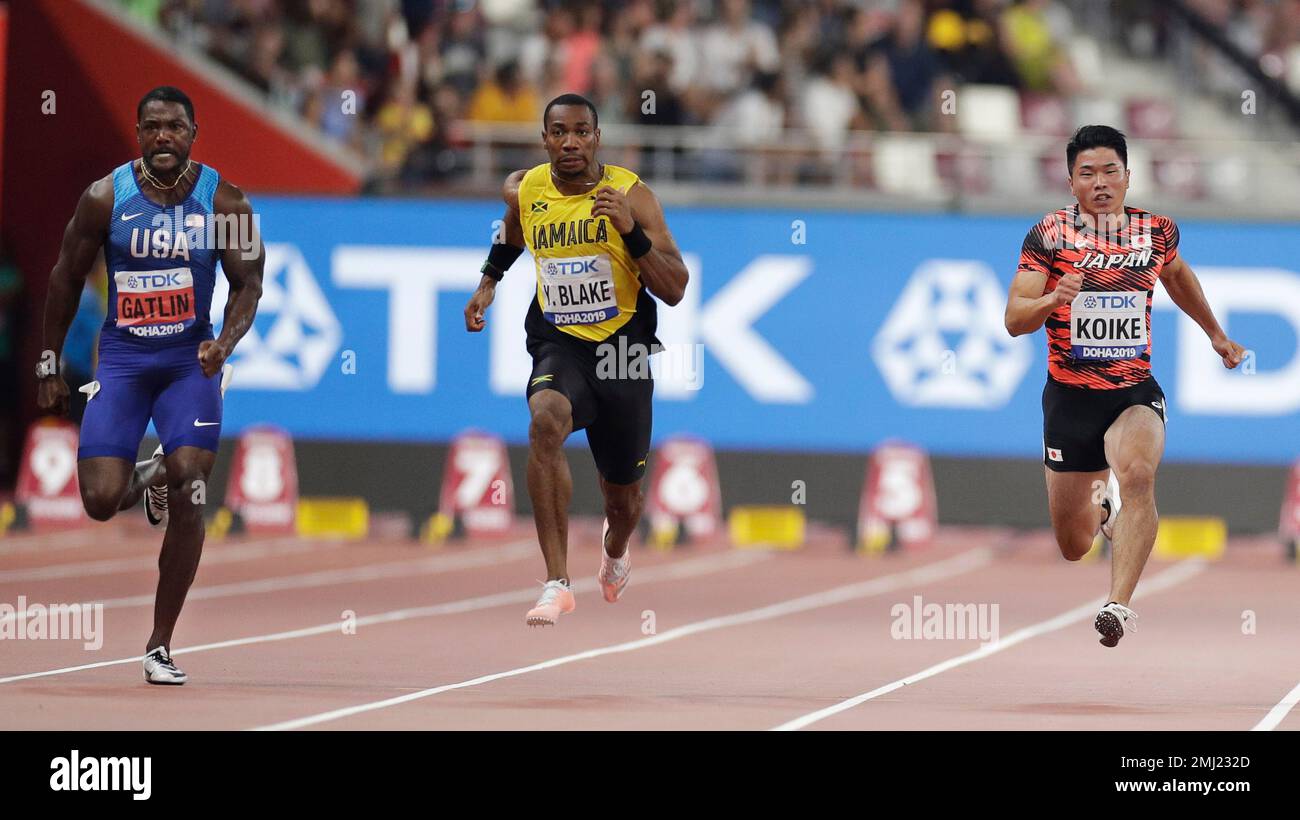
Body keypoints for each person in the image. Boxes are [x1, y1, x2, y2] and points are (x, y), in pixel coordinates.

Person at [37, 86, 264, 682]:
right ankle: (149, 473)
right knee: (101, 501)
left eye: (175, 127)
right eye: (152, 127)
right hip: (122, 364)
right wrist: (48, 362)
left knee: (192, 484)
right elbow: (64, 278)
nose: (164, 137)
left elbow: (250, 285)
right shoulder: (103, 198)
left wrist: (225, 343)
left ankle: (159, 644)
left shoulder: (230, 202)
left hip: (191, 363)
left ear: (194, 133)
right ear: (138, 134)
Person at [1005, 125, 1244, 647]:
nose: (1101, 182)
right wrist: (1052, 300)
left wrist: (1216, 335)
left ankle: (1117, 606)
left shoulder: (1155, 232)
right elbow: (1014, 319)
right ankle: (1103, 507)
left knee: (1138, 472)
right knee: (1074, 543)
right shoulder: (1049, 236)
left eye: (1111, 171)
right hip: (1070, 400)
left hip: (1133, 392)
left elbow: (1177, 277)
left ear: (1129, 176)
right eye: (1087, 173)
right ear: (1071, 182)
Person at [463, 93, 688, 627]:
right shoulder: (527, 188)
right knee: (544, 420)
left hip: (624, 351)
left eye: (581, 131)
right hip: (559, 343)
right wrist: (488, 283)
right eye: (559, 132)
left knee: (624, 501)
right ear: (544, 140)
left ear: (597, 139)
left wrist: (629, 233)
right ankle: (557, 582)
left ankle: (615, 551)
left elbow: (675, 288)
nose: (570, 142)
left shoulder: (633, 195)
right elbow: (513, 232)